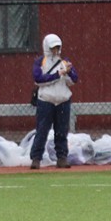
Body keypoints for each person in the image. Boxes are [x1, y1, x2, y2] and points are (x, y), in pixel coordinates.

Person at [29, 34, 78, 170]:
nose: (55, 50)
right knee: (42, 131)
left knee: (62, 131)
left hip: (62, 100)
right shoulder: (40, 62)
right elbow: (39, 79)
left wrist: (69, 72)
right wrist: (58, 75)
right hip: (46, 100)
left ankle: (62, 157)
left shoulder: (64, 61)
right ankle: (36, 158)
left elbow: (74, 80)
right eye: (53, 47)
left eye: (57, 47)